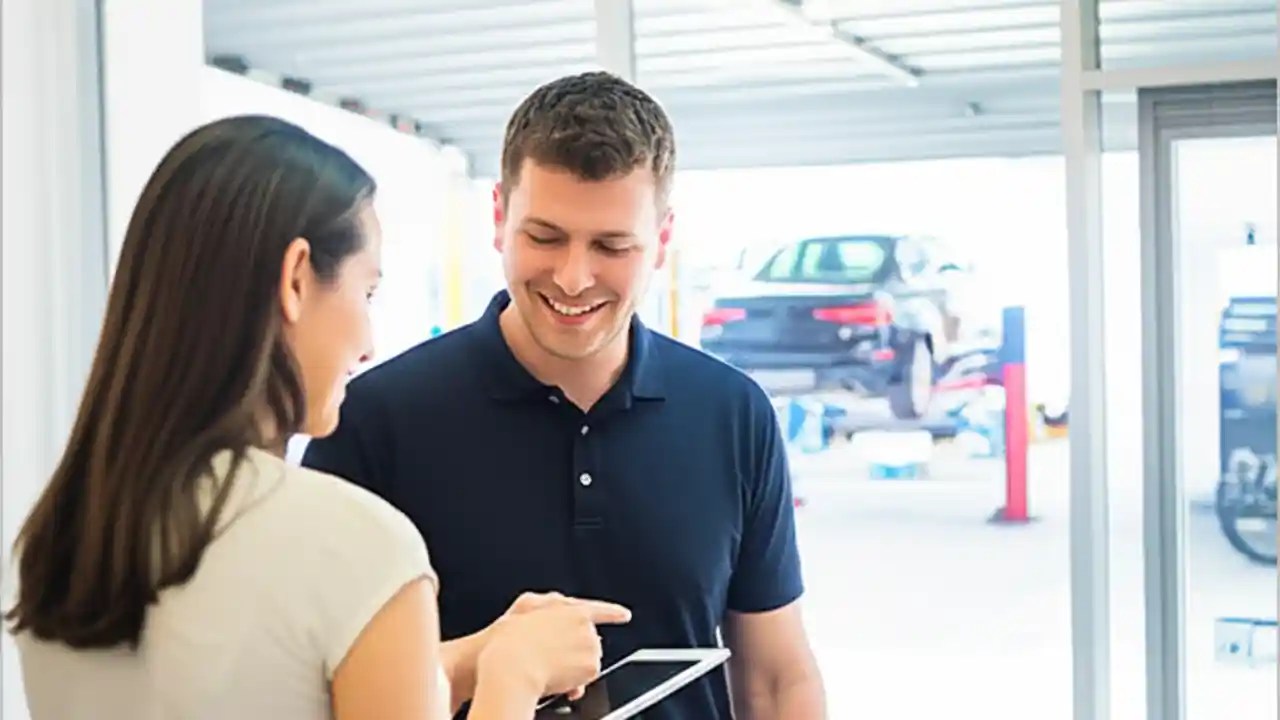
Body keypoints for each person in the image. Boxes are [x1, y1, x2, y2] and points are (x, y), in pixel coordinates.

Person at [4, 114, 630, 720]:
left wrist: (476, 654)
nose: (368, 344)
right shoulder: (358, 546)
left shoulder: (63, 536)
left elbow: (274, 690)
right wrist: (514, 678)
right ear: (297, 279)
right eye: (367, 292)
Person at [302, 72, 828, 719]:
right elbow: (315, 690)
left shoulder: (733, 414)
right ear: (498, 217)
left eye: (611, 245)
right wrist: (492, 663)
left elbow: (776, 677)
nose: (573, 278)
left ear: (661, 241)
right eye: (544, 237)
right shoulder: (374, 421)